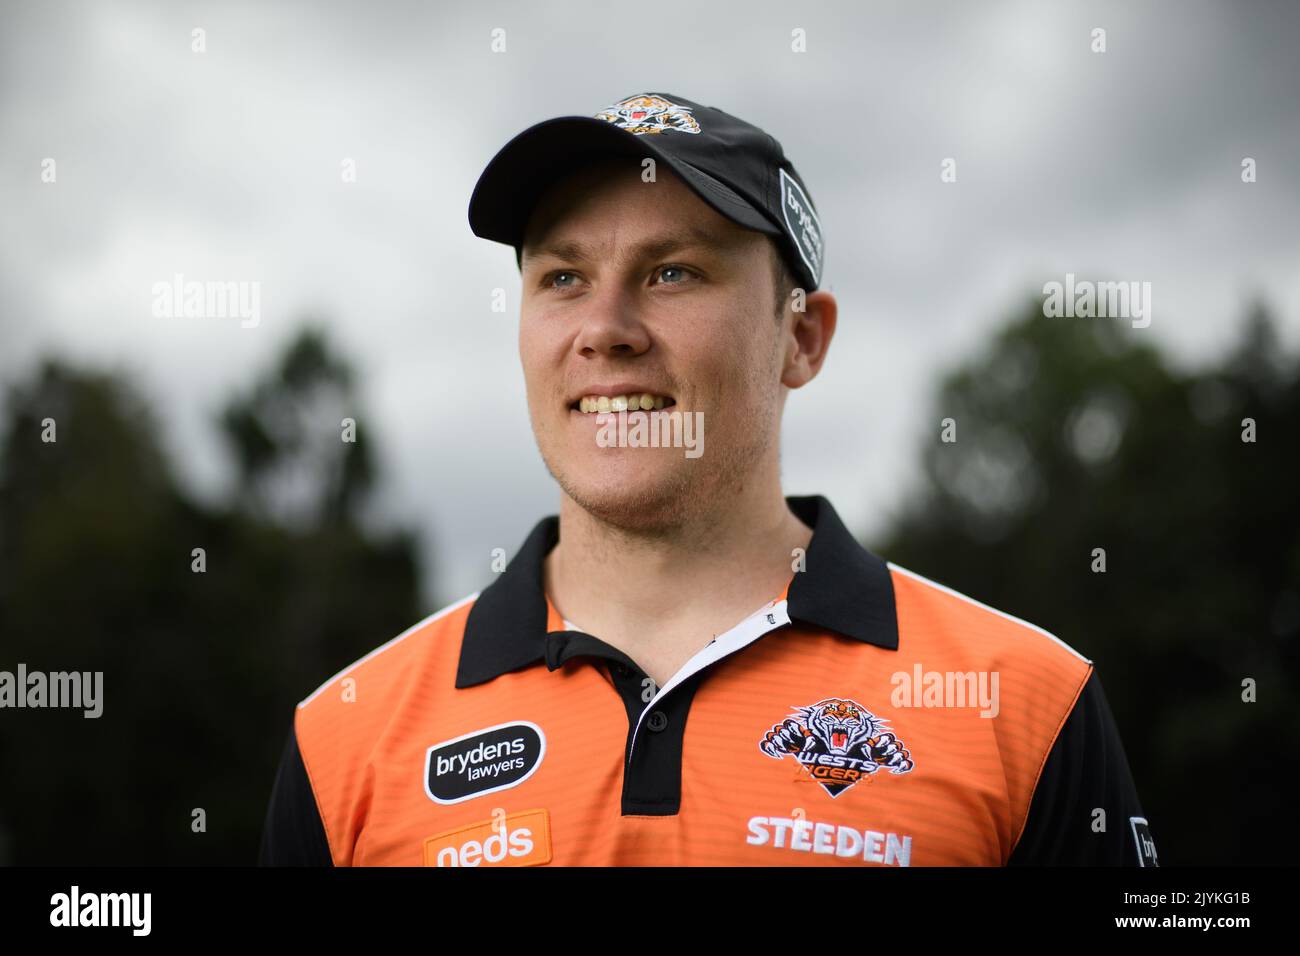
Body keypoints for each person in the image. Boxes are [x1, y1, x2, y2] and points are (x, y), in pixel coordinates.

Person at [258, 91, 1157, 867]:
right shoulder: (344, 738)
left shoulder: (1027, 705)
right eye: (564, 276)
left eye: (673, 271)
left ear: (800, 338)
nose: (604, 328)